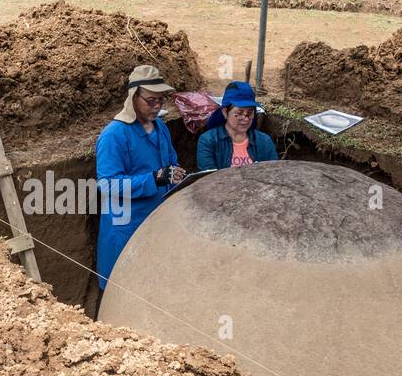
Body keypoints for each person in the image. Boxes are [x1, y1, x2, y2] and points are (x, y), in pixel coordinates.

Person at [94, 64, 184, 289]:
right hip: (126, 228)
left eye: (161, 100)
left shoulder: (160, 127)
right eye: (150, 100)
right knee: (121, 292)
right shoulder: (114, 135)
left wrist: (178, 175)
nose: (156, 106)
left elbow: (171, 163)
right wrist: (155, 178)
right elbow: (107, 184)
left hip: (157, 222)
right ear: (133, 97)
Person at [195, 80, 278, 171]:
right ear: (225, 112)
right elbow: (208, 178)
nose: (246, 119)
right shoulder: (208, 140)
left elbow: (273, 173)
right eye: (239, 113)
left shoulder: (264, 141)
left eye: (250, 113)